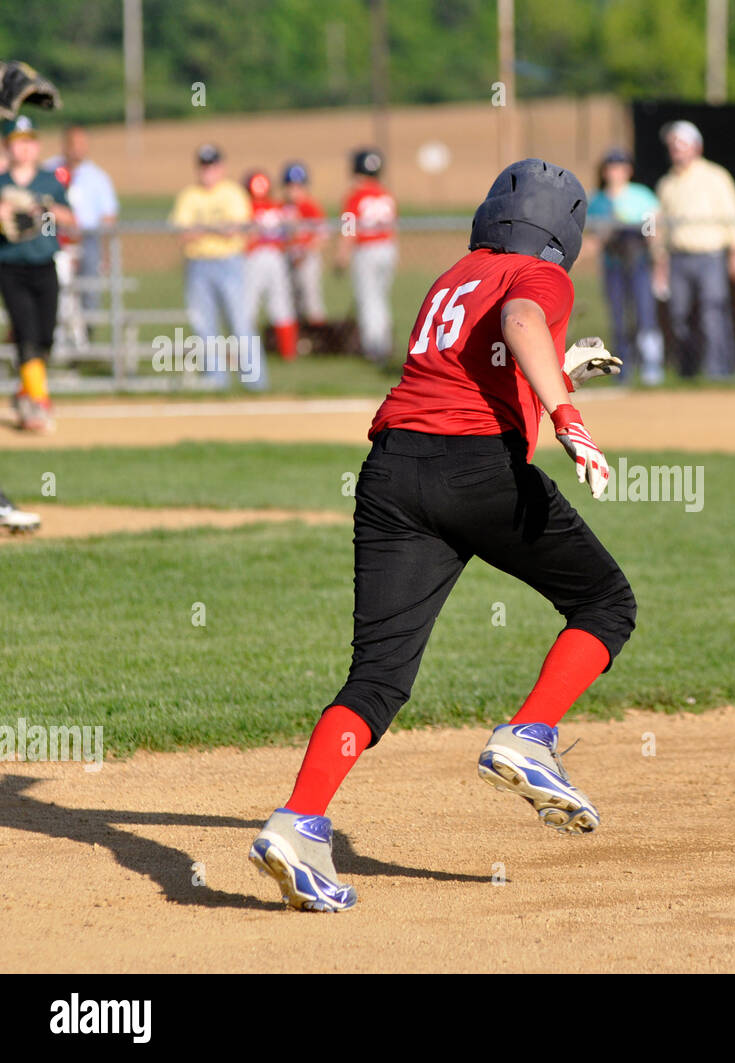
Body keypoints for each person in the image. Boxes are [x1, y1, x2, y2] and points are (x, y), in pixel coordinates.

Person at [249, 158, 636, 913]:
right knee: (605, 603)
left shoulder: (454, 276)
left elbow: (471, 368)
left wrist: (559, 373)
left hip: (392, 473)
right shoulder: (539, 274)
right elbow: (520, 323)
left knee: (377, 678)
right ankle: (529, 734)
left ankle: (298, 822)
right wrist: (569, 416)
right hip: (476, 470)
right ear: (564, 230)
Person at [652, 120, 735, 379]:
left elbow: (734, 215)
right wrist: (660, 260)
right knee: (679, 316)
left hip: (711, 256)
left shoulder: (716, 177)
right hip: (678, 258)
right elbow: (659, 227)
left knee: (713, 313)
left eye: (681, 143)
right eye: (673, 145)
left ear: (696, 147)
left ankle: (720, 372)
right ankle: (688, 373)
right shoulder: (667, 184)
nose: (676, 149)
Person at [0, 114, 75, 433]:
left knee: (45, 336)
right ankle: (39, 401)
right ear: (8, 147)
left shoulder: (48, 182)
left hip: (44, 265)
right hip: (11, 267)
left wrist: (46, 209)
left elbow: (70, 220)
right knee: (27, 332)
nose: (25, 148)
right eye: (18, 142)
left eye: (29, 141)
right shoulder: (2, 183)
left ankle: (24, 393)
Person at [169, 144, 264, 389]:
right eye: (203, 166)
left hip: (228, 262)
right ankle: (215, 381)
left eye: (212, 166)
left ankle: (255, 381)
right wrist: (217, 229)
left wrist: (201, 229)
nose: (208, 171)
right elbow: (182, 232)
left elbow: (235, 228)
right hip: (198, 264)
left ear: (221, 167)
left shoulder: (232, 193)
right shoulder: (189, 195)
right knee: (204, 325)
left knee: (240, 322)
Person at [587, 148, 664, 385]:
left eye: (620, 167)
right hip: (614, 265)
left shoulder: (642, 196)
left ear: (628, 170)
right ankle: (623, 369)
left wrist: (657, 257)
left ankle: (651, 366)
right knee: (618, 318)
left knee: (644, 315)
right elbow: (594, 238)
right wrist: (606, 234)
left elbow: (653, 230)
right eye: (611, 168)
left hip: (639, 264)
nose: (616, 173)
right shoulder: (597, 201)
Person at [45, 125, 117, 323]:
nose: (77, 148)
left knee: (89, 290)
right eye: (73, 143)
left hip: (88, 239)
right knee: (56, 290)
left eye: (81, 143)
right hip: (54, 238)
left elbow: (108, 216)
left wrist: (105, 252)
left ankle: (86, 330)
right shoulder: (49, 171)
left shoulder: (98, 177)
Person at [336, 147, 396, 366]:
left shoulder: (354, 196)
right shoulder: (386, 194)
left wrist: (341, 256)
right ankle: (385, 343)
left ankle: (374, 348)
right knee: (380, 298)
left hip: (366, 251)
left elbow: (348, 230)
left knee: (368, 300)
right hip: (387, 248)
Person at [242, 169, 298, 360]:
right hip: (276, 257)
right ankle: (288, 352)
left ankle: (247, 350)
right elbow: (293, 228)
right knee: (281, 303)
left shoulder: (246, 207)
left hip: (255, 257)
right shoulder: (278, 207)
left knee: (249, 304)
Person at [281, 161, 327, 325]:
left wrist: (306, 252)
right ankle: (299, 333)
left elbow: (322, 235)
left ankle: (318, 332)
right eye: (290, 186)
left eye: (298, 187)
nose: (294, 191)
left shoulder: (310, 206)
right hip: (289, 257)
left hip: (308, 258)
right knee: (291, 299)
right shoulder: (284, 207)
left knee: (311, 297)